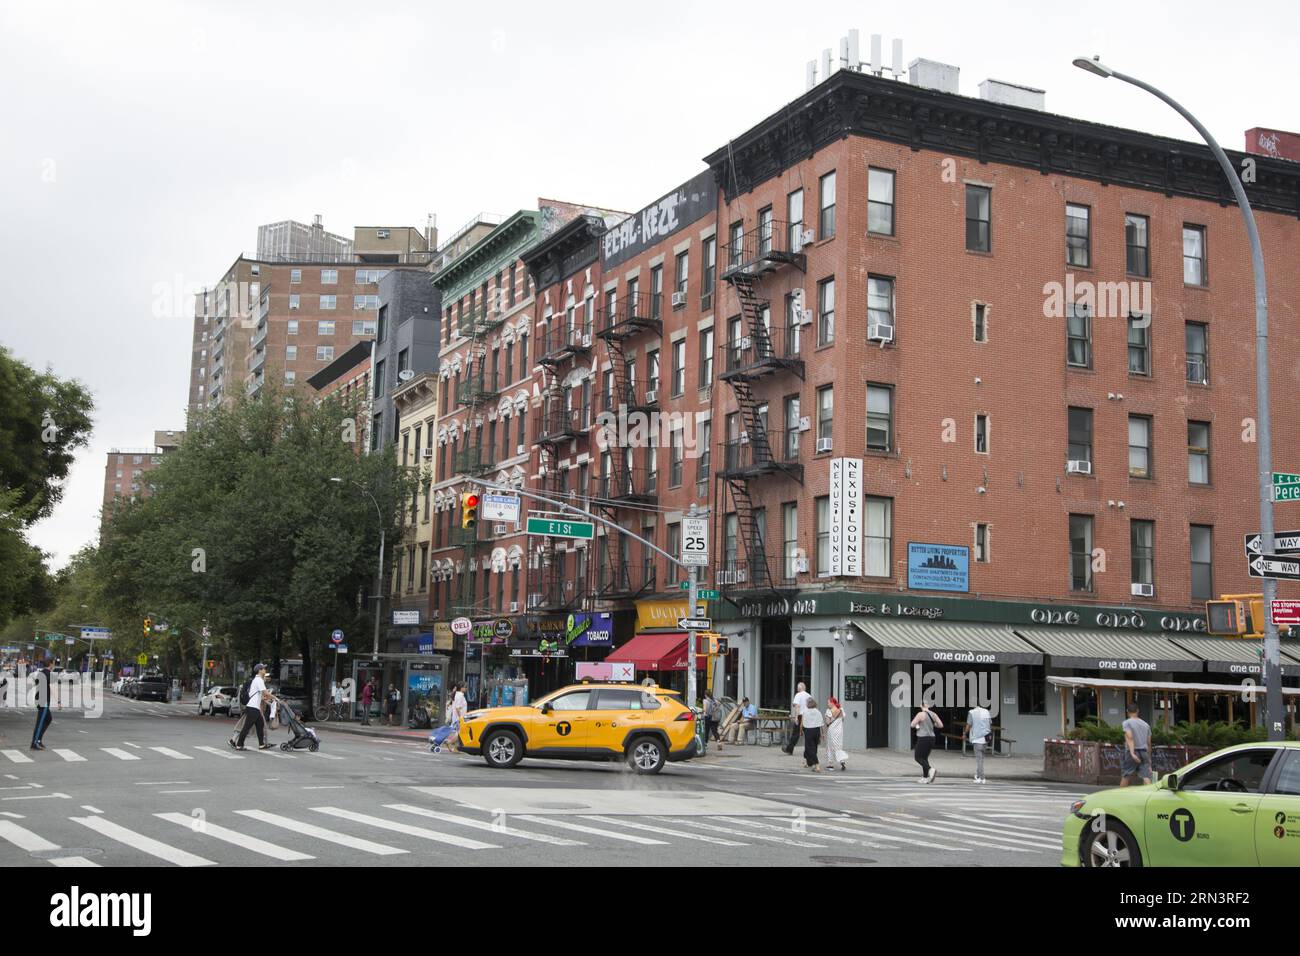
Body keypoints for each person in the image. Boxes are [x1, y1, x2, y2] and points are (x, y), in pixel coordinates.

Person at [233, 663, 274, 750]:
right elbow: (265, 693)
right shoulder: (259, 680)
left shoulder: (257, 680)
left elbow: (262, 695)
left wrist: (269, 699)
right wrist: (276, 698)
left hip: (254, 707)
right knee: (246, 727)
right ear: (259, 670)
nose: (265, 670)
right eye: (263, 668)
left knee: (260, 725)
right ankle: (239, 745)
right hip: (253, 708)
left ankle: (261, 744)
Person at [1121, 703, 1152, 787]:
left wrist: (1132, 753)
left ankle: (1121, 796)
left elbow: (1130, 737)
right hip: (1144, 752)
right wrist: (1149, 759)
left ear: (1127, 711)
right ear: (1138, 711)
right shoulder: (1146, 725)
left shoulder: (1126, 723)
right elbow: (1149, 743)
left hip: (1133, 751)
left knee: (1126, 775)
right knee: (1146, 776)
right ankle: (1150, 794)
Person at [911, 704, 943, 783]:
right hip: (932, 738)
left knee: (918, 757)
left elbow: (912, 724)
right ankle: (925, 778)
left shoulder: (920, 714)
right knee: (924, 758)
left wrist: (917, 725)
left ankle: (930, 769)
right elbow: (940, 725)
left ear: (921, 706)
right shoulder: (934, 714)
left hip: (923, 738)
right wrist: (932, 724)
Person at [965, 701, 993, 784]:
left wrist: (964, 733)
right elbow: (990, 724)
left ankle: (982, 778)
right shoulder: (986, 712)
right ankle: (977, 775)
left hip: (977, 739)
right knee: (981, 759)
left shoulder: (971, 712)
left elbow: (968, 724)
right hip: (985, 739)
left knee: (979, 760)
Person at [782, 682, 812, 755]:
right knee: (808, 734)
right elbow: (811, 706)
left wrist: (796, 717)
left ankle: (789, 749)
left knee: (796, 733)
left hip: (801, 715)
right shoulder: (809, 695)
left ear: (799, 688)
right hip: (808, 715)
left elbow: (797, 706)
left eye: (797, 688)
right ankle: (810, 750)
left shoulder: (798, 695)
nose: (797, 689)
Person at [30, 660, 53, 751]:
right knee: (40, 723)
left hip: (40, 700)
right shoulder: (48, 674)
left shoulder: (41, 673)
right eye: (53, 664)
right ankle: (34, 743)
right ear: (51, 664)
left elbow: (36, 682)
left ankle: (38, 740)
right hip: (43, 701)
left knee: (48, 719)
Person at [823, 696, 847, 771]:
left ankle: (830, 764)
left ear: (832, 703)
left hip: (832, 731)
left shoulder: (828, 711)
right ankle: (842, 760)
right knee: (838, 746)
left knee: (830, 747)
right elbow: (843, 719)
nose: (828, 704)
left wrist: (827, 719)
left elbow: (827, 722)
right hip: (839, 731)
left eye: (828, 702)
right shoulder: (841, 710)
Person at [800, 696, 824, 771]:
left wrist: (800, 731)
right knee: (814, 747)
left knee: (809, 748)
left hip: (808, 730)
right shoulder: (818, 712)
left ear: (808, 704)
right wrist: (822, 734)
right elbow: (821, 724)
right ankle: (811, 763)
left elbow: (802, 723)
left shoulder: (805, 712)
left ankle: (816, 764)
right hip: (817, 731)